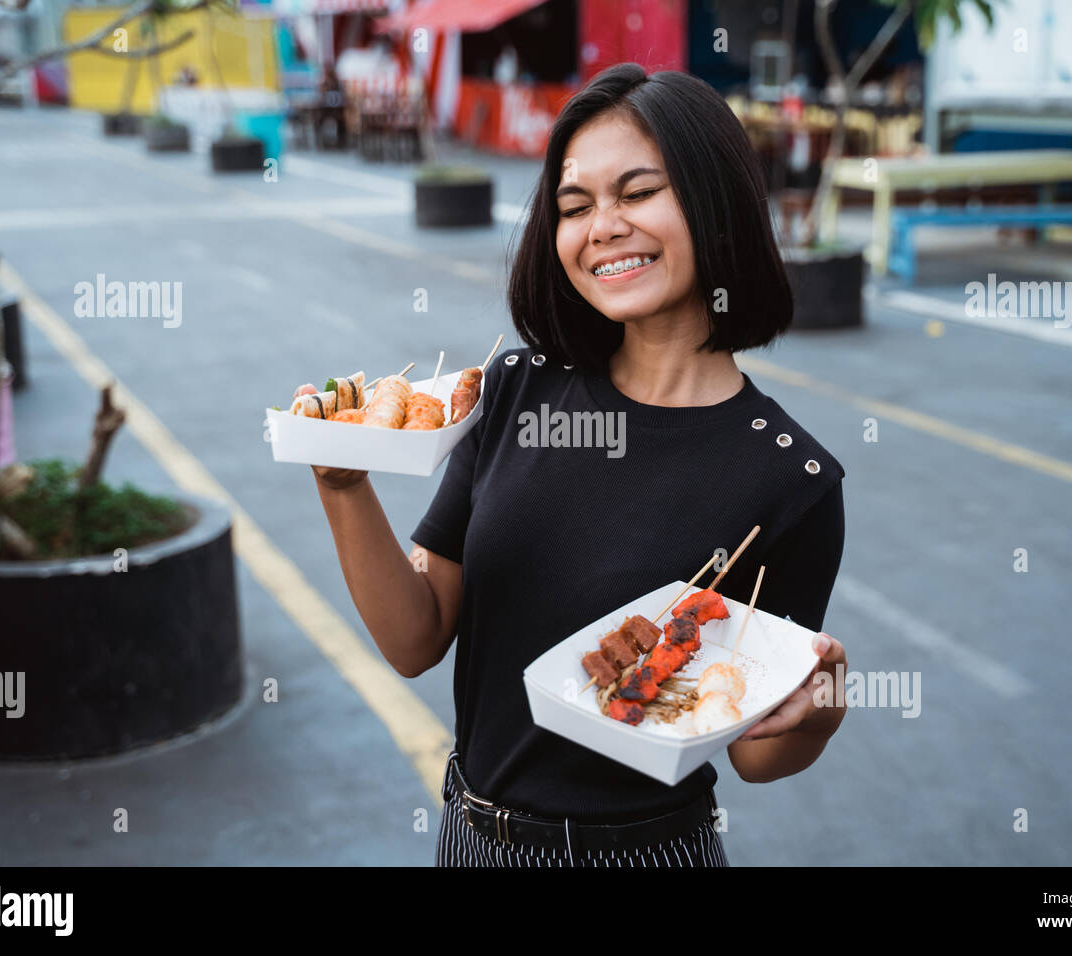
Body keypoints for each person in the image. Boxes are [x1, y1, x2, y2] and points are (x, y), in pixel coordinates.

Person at [312, 63, 849, 867]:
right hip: (473, 838)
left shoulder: (790, 477)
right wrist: (344, 485)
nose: (602, 226)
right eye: (575, 205)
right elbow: (416, 636)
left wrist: (821, 707)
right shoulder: (516, 394)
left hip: (648, 852)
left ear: (716, 201)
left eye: (636, 194)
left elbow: (755, 754)